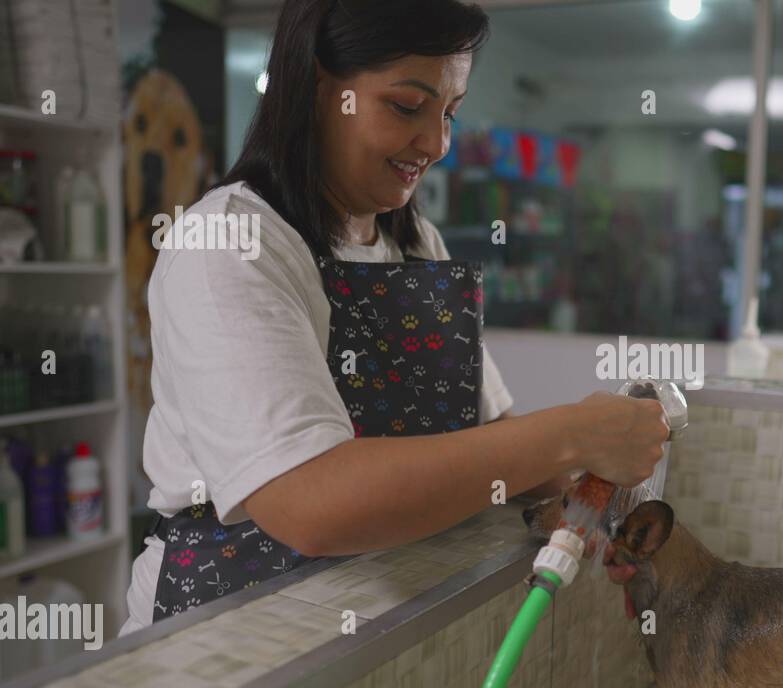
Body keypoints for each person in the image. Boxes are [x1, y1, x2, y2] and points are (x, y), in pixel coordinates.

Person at [120, 0, 668, 635]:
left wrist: (589, 493)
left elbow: (491, 430)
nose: (436, 144)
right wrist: (574, 431)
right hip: (223, 641)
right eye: (408, 106)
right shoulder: (231, 244)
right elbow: (311, 503)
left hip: (370, 630)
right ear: (318, 84)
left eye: (450, 113)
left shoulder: (414, 244)